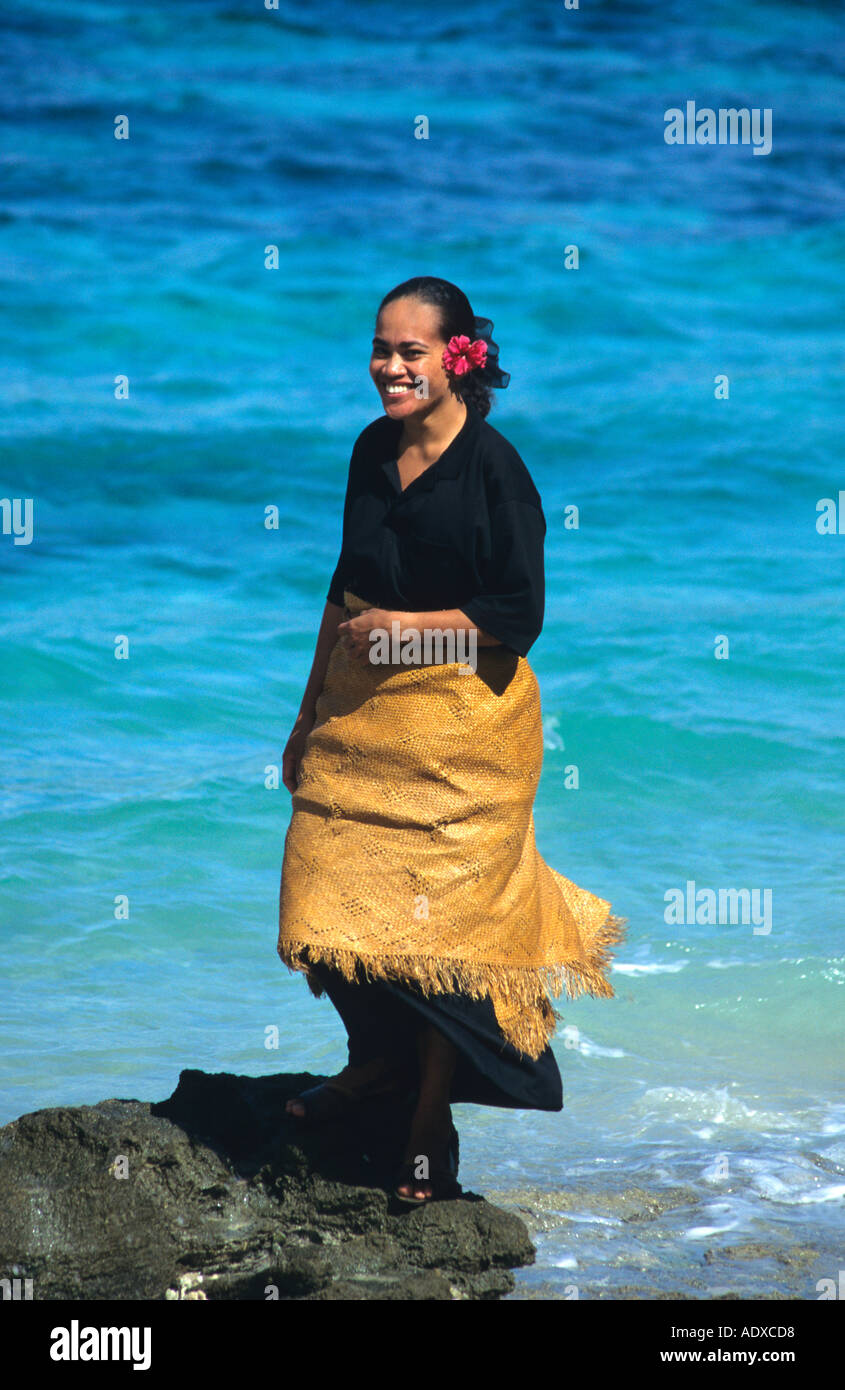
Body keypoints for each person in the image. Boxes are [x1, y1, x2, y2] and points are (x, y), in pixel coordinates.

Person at [277, 276, 625, 1203]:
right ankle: (375, 1062)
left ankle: (430, 1116)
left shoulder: (496, 471)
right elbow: (343, 587)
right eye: (381, 350)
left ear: (458, 358)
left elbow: (519, 618)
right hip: (361, 720)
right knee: (318, 905)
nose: (388, 368)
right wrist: (306, 711)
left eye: (410, 353)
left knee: (444, 942)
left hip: (469, 730)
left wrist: (408, 632)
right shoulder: (369, 450)